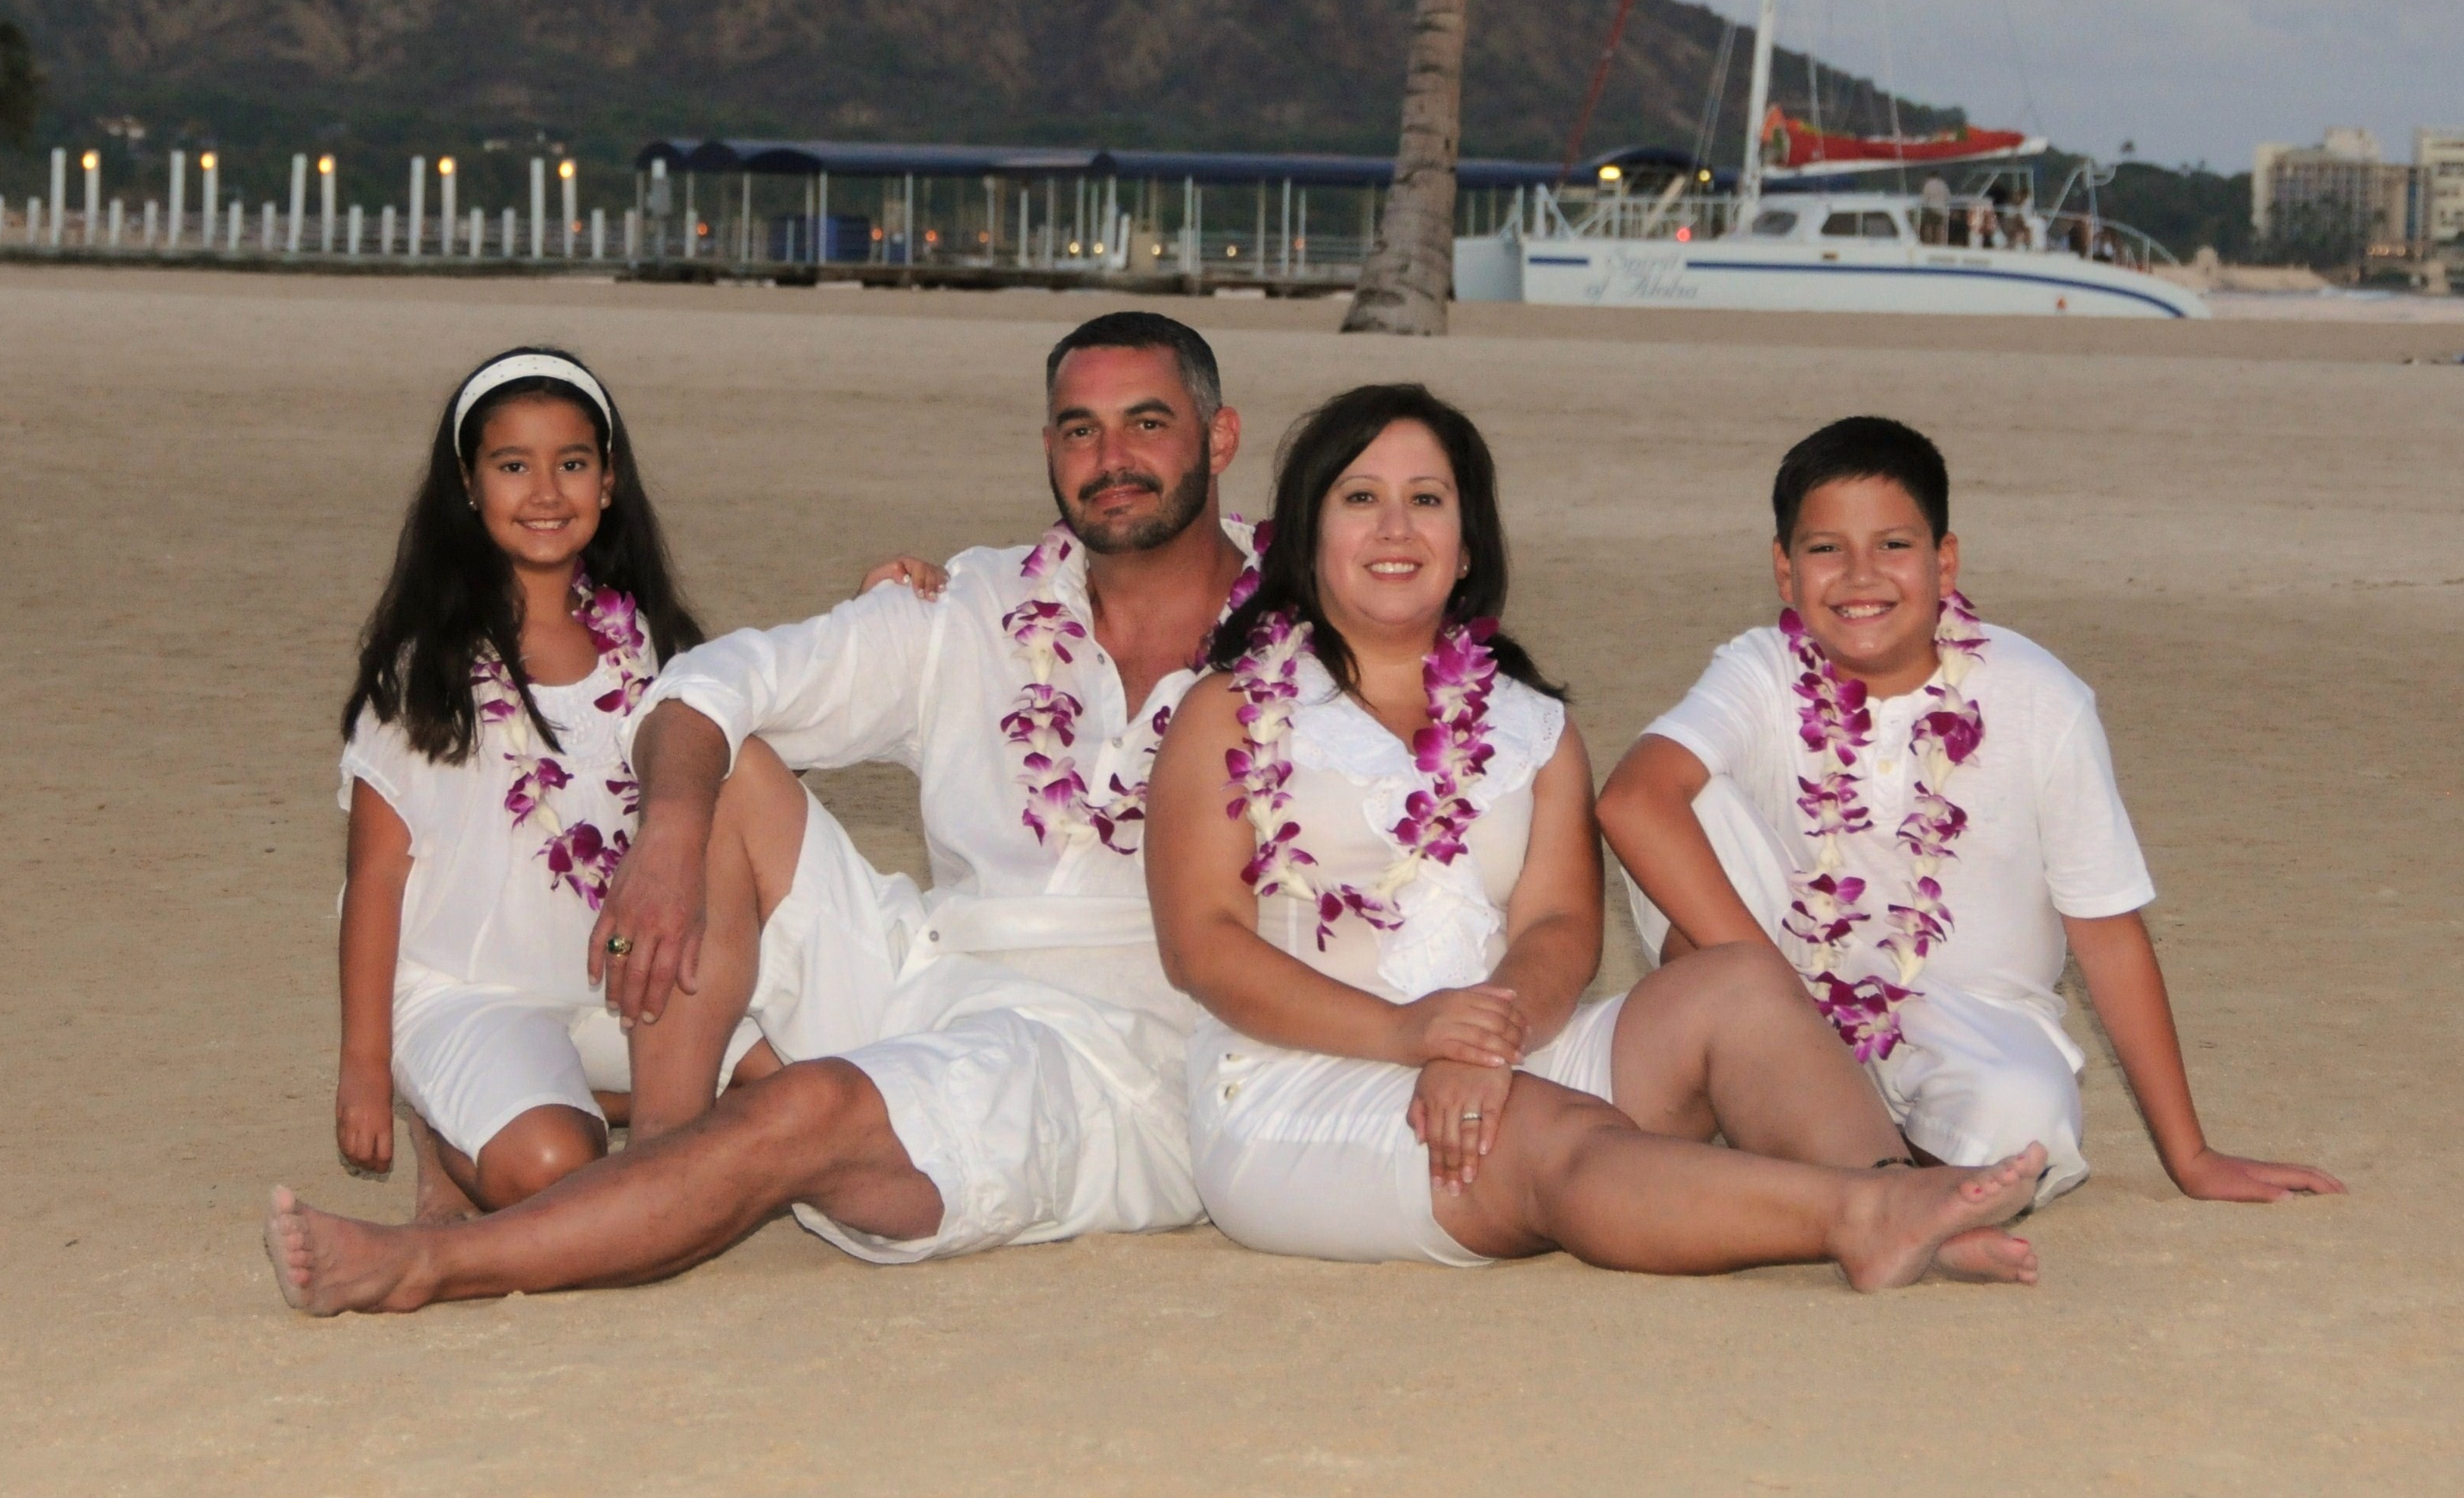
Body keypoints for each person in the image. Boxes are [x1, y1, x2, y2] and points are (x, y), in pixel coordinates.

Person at [264, 311, 1265, 1311]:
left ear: (1218, 437)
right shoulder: (978, 603)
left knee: (806, 1104)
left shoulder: (1301, 648)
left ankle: (430, 1265)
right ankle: (658, 1160)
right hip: (928, 971)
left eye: (1146, 422)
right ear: (1048, 446)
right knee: (723, 759)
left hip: (1113, 1064)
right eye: (1081, 429)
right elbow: (716, 681)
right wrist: (667, 834)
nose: (1110, 456)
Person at [1144, 384, 2047, 1288]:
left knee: (1736, 979)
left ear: (1466, 542)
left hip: (1505, 1045)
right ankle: (1859, 1215)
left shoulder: (1531, 724)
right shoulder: (1229, 711)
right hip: (1298, 1087)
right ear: (1308, 533)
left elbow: (1561, 928)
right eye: (1359, 496)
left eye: (1426, 498)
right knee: (1547, 1131)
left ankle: (1893, 1190)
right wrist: (1412, 1033)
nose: (1395, 528)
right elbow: (1202, 946)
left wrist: (1479, 1043)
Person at [1595, 414, 2345, 1210]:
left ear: (1943, 561)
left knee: (2023, 1119)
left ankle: (1868, 1166)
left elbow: (2106, 933)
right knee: (1687, 791)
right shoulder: (1761, 668)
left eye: (1893, 544)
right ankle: (1819, 1121)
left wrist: (2189, 1155)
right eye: (1826, 549)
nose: (1860, 576)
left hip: (1975, 1022)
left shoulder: (2039, 696)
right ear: (1785, 570)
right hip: (1784, 995)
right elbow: (1630, 800)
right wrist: (1783, 1009)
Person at [327, 347, 907, 1219]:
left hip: (626, 989)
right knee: (552, 1168)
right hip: (471, 996)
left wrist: (876, 612)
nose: (545, 492)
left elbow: (756, 766)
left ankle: (584, 1101)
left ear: (607, 482)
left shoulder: (655, 647)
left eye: (571, 464)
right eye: (512, 466)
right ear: (468, 487)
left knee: (806, 1106)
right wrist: (365, 1067)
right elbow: (375, 878)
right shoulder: (425, 674)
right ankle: (448, 1132)